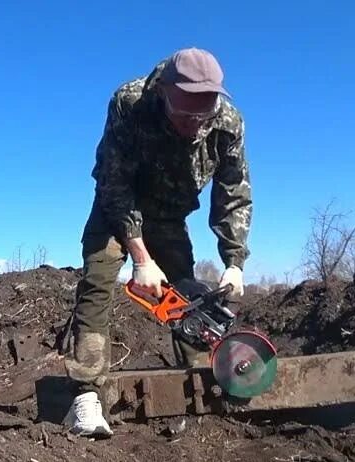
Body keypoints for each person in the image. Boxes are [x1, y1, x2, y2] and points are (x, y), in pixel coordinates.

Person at [62, 48, 253, 437]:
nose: (194, 128)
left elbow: (233, 193)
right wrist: (140, 256)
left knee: (188, 296)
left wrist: (234, 261)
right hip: (117, 208)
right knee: (98, 283)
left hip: (169, 214)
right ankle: (84, 398)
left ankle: (201, 383)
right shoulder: (130, 104)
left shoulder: (228, 123)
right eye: (184, 117)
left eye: (202, 117)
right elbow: (113, 183)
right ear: (165, 93)